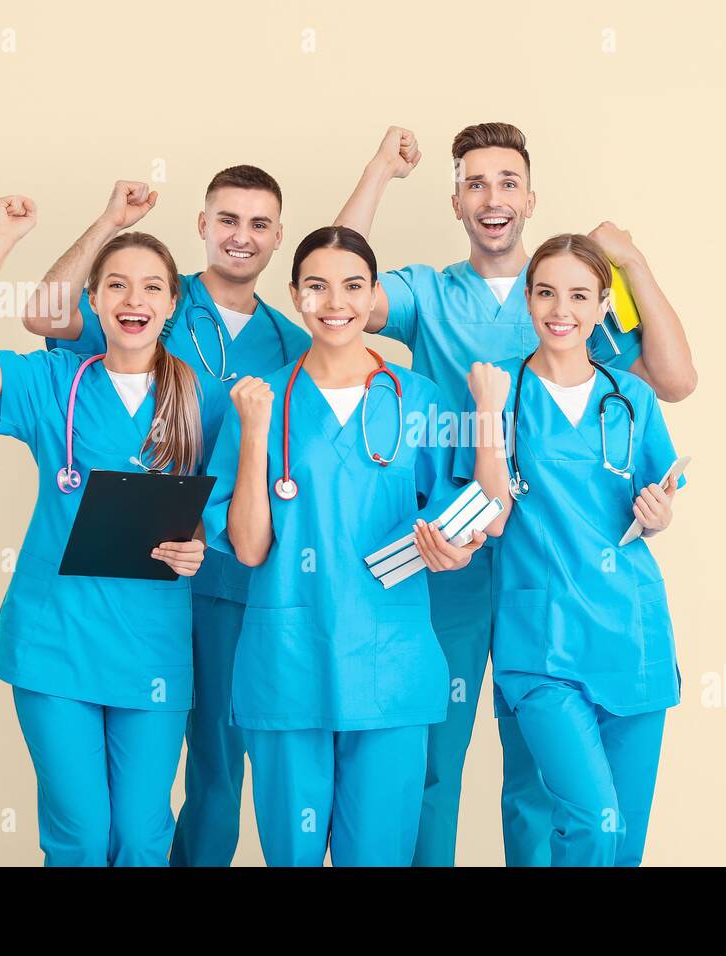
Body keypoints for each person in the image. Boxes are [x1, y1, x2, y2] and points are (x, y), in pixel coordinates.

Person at [334, 122, 697, 865]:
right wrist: (377, 172)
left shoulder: (572, 289)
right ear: (456, 201)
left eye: (506, 182)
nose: (491, 197)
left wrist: (628, 257)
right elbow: (336, 282)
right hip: (459, 552)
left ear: (530, 198)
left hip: (556, 566)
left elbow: (675, 379)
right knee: (437, 758)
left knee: (544, 777)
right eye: (474, 183)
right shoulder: (427, 292)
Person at [23, 169, 310, 866]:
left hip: (229, 583)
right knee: (100, 814)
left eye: (260, 223)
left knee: (216, 768)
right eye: (228, 219)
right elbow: (43, 316)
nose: (242, 236)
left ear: (277, 238)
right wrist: (108, 224)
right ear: (204, 225)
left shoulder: (289, 344)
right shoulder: (149, 294)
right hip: (133, 586)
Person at [0, 196, 229, 865]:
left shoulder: (204, 399)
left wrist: (203, 543)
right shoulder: (54, 382)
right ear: (92, 302)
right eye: (117, 285)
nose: (135, 299)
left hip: (152, 649)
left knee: (142, 835)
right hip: (55, 642)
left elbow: (233, 501)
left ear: (173, 303)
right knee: (81, 835)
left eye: (153, 286)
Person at [201, 225, 483, 866]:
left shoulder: (419, 400)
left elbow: (457, 519)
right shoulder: (260, 400)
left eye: (354, 285)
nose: (336, 302)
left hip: (388, 665)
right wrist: (252, 434)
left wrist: (454, 549)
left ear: (375, 293)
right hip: (288, 663)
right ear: (296, 294)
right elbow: (247, 547)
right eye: (318, 286)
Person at [459, 234, 685, 865]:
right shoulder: (500, 395)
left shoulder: (631, 397)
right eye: (547, 292)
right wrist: (486, 415)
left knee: (624, 842)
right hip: (544, 640)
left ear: (601, 305)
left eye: (580, 295)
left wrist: (660, 514)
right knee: (593, 820)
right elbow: (492, 514)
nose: (562, 309)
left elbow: (659, 494)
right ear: (528, 300)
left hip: (632, 634)